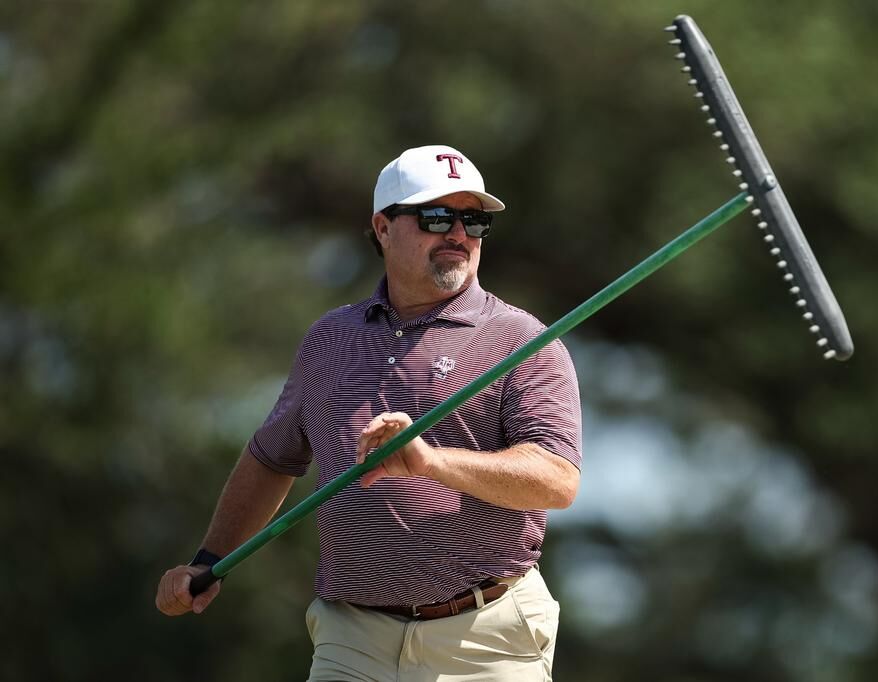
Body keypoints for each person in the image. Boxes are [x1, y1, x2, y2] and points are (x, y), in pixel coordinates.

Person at [155, 144, 583, 681]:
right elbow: (273, 457)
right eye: (436, 217)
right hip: (353, 635)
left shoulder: (523, 340)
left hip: (485, 636)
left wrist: (430, 462)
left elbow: (556, 480)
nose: (458, 235)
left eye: (473, 220)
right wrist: (208, 558)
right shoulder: (331, 338)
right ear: (383, 228)